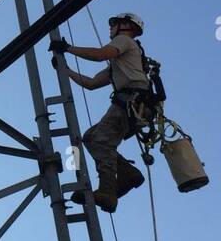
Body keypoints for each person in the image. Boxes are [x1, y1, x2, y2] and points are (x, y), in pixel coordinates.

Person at [51, 12, 152, 213]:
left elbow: (99, 55)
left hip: (131, 103)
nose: (110, 29)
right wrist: (65, 70)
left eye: (113, 24)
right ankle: (127, 174)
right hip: (132, 106)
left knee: (100, 141)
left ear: (125, 26)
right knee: (90, 137)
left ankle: (107, 192)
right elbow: (91, 83)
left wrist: (68, 48)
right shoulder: (121, 64)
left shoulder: (125, 41)